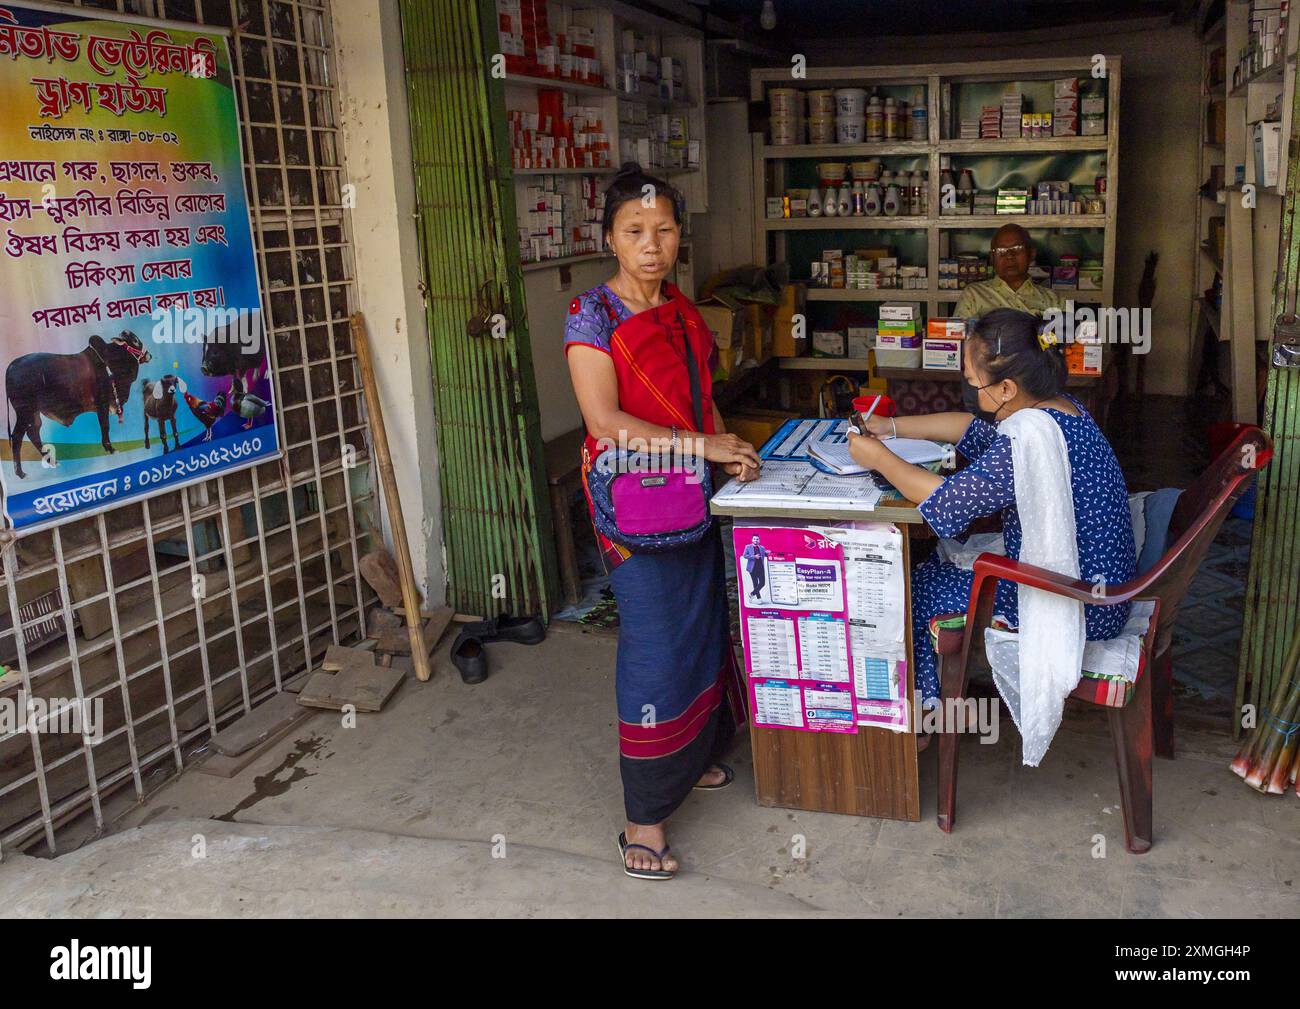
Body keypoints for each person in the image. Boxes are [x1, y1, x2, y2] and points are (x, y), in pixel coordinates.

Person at [564, 162, 761, 880]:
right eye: (635, 231)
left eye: (665, 229)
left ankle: (694, 759)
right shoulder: (593, 315)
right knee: (653, 644)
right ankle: (643, 820)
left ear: (680, 236)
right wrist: (703, 444)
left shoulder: (683, 310)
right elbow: (605, 421)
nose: (652, 244)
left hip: (694, 493)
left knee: (703, 626)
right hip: (632, 505)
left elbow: (702, 402)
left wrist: (730, 447)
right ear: (610, 239)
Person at [846, 308, 1135, 732]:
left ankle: (923, 718)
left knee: (917, 584)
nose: (968, 387)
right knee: (936, 567)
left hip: (1080, 605)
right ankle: (928, 702)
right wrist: (890, 427)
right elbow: (968, 426)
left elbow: (946, 501)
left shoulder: (1029, 441)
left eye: (972, 381)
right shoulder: (1060, 410)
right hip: (1104, 588)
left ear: (1006, 388)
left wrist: (879, 458)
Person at [953, 224, 1065, 321]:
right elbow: (960, 340)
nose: (1010, 256)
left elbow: (1065, 342)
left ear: (1031, 254)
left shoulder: (1054, 300)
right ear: (992, 257)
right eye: (1001, 251)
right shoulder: (973, 295)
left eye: (1017, 249)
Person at [741, 535, 768, 601]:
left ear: (759, 540)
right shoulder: (748, 547)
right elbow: (744, 555)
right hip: (752, 568)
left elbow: (764, 554)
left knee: (762, 583)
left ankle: (752, 594)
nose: (756, 540)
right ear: (752, 540)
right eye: (754, 539)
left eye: (757, 539)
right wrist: (754, 556)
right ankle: (759, 598)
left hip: (760, 567)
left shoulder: (762, 547)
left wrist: (767, 553)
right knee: (755, 583)